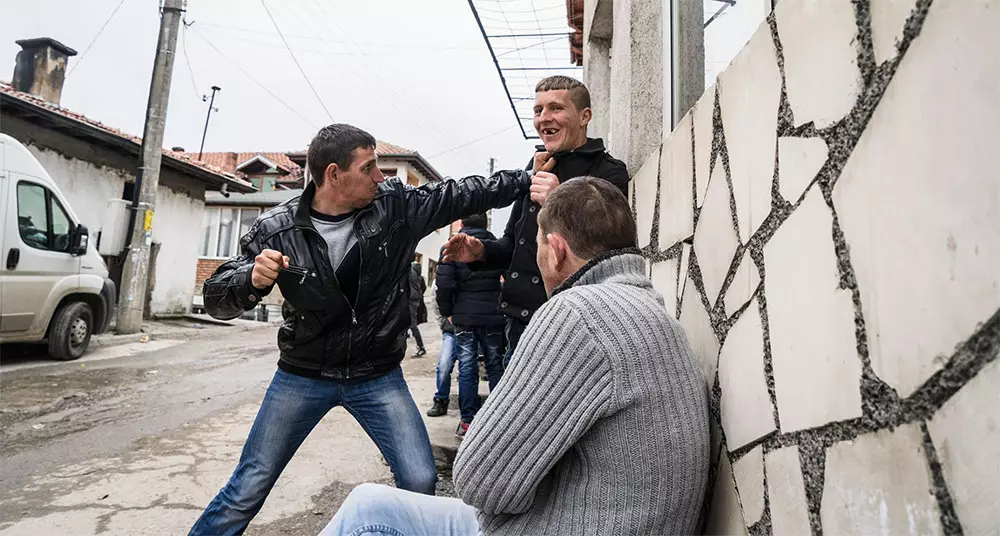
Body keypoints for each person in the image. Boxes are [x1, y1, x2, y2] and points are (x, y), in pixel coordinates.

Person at [189, 123, 534, 536]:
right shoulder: (276, 229)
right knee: (247, 488)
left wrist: (527, 178)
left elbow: (463, 192)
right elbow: (216, 297)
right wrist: (251, 280)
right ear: (334, 175)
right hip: (302, 375)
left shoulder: (394, 207)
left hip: (377, 376)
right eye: (370, 168)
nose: (381, 178)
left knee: (421, 480)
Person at [321, 177, 711, 536]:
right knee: (369, 503)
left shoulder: (578, 313)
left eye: (536, 244)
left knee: (367, 515)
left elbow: (481, 481)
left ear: (556, 251)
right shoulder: (652, 309)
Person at [443, 76, 630, 366]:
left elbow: (607, 252)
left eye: (555, 108)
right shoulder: (533, 169)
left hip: (576, 326)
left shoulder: (609, 172)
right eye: (538, 110)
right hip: (519, 325)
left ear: (585, 116)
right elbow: (511, 247)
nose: (544, 119)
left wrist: (557, 200)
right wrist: (480, 251)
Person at [432, 213, 505, 437]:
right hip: (493, 316)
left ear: (462, 224)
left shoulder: (452, 247)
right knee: (495, 366)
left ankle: (468, 422)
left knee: (467, 368)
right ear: (485, 224)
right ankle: (498, 420)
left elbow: (443, 284)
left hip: (464, 317)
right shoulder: (495, 246)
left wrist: (447, 312)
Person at [408, 261, 428, 357]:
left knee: (412, 324)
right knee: (408, 322)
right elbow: (423, 288)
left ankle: (421, 347)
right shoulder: (418, 273)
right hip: (415, 299)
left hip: (410, 299)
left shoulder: (410, 271)